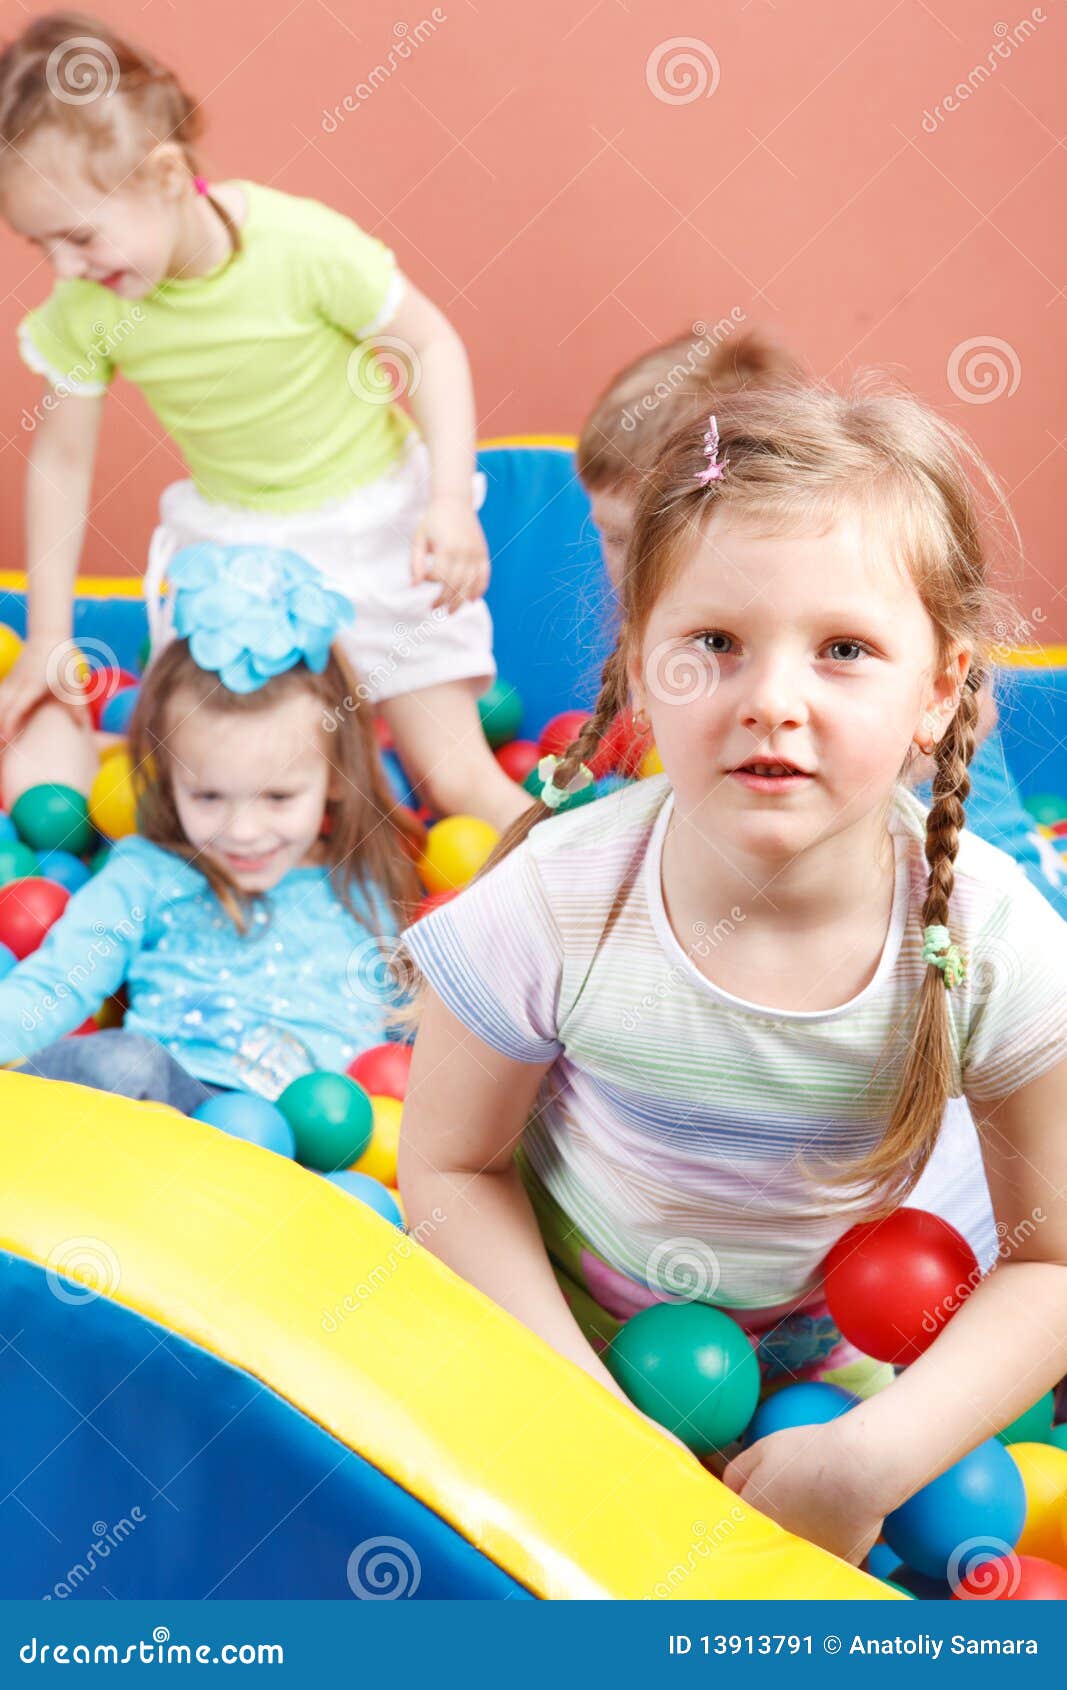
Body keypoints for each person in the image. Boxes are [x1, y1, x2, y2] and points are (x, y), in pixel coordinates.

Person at [397, 381, 1067, 1565]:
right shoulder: (561, 897)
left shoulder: (993, 940)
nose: (770, 701)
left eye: (844, 650)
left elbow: (1050, 1258)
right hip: (572, 1328)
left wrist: (871, 1454)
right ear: (641, 662)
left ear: (939, 688)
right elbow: (448, 1164)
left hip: (839, 1358)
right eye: (714, 642)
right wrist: (586, 1415)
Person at [0, 11, 527, 829]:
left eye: (78, 236)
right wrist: (48, 637)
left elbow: (428, 342)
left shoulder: (297, 246)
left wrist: (449, 501)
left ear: (166, 176)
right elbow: (61, 463)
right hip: (240, 553)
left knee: (460, 784)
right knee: (220, 786)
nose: (66, 268)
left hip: (376, 528)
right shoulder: (89, 308)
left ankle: (599, 892)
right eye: (42, 248)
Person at [0, 543, 421, 1106]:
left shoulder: (369, 886)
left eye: (277, 796)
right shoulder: (146, 875)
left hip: (307, 1161)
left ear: (336, 778)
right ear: (169, 777)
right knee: (124, 1061)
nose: (243, 832)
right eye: (208, 796)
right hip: (165, 1126)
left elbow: (429, 1039)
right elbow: (57, 983)